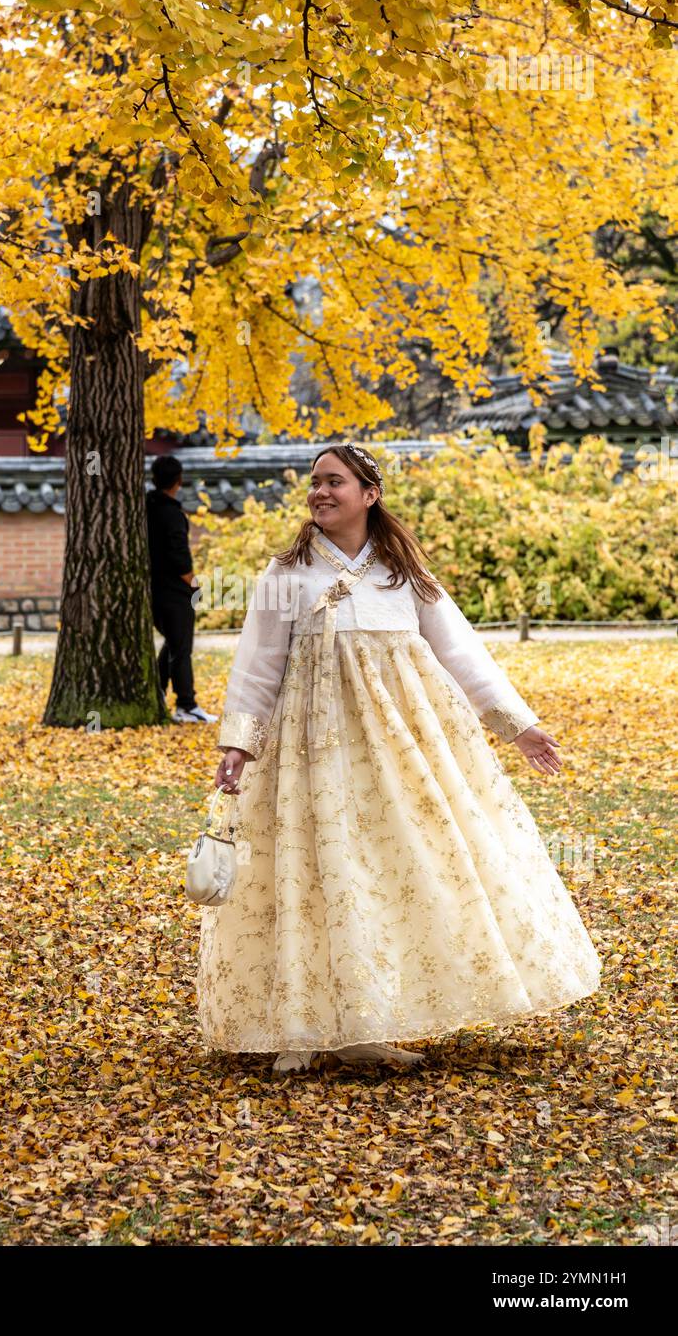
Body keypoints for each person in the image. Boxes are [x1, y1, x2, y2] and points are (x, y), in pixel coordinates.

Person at [197, 442, 601, 1077]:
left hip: (396, 752)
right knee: (309, 870)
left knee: (386, 866)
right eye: (314, 483)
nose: (320, 493)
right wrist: (238, 743)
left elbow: (461, 653)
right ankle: (302, 1023)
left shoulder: (404, 576)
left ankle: (368, 1018)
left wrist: (516, 725)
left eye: (334, 483)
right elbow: (257, 664)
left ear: (369, 494)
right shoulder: (287, 574)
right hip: (307, 753)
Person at [146, 453, 217, 724]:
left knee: (173, 643)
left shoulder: (146, 507)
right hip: (174, 590)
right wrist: (194, 583)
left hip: (152, 587)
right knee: (182, 648)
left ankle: (158, 692)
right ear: (179, 480)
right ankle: (186, 705)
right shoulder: (171, 513)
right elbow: (179, 556)